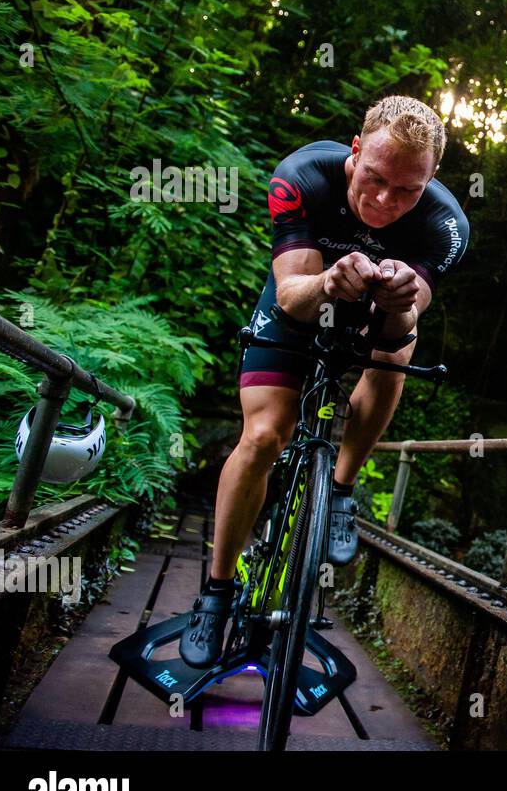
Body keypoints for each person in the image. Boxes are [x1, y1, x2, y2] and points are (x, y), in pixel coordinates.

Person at [180, 96, 470, 669]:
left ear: (431, 180)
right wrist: (331, 279)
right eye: (375, 179)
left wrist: (402, 294)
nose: (386, 201)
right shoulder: (301, 177)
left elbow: (412, 318)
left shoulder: (447, 224)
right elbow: (290, 294)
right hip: (304, 299)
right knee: (264, 437)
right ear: (355, 152)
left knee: (399, 345)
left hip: (377, 317)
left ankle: (340, 488)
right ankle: (215, 592)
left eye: (407, 190)